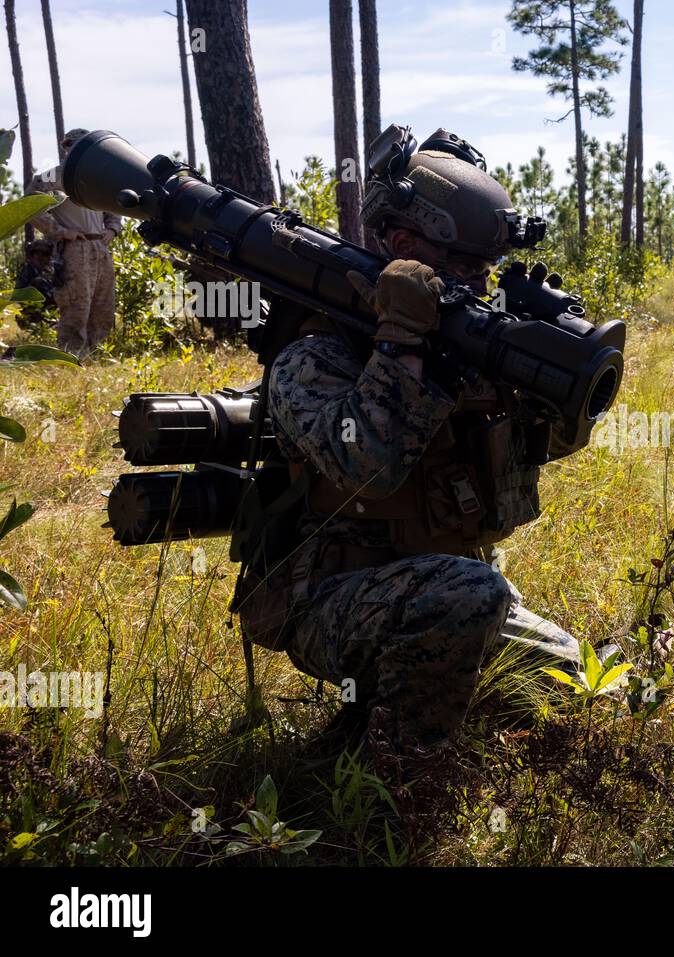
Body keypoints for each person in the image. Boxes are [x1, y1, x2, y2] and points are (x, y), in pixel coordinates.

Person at [234, 127, 584, 757]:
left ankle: (407, 701)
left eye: (488, 268)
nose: (479, 284)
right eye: (464, 266)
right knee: (470, 596)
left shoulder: (461, 343)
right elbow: (368, 467)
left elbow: (540, 449)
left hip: (445, 589)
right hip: (328, 597)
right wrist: (400, 339)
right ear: (403, 246)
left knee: (569, 682)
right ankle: (391, 776)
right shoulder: (316, 353)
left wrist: (556, 384)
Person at [25, 128, 122, 356]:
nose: (75, 150)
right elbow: (29, 204)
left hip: (100, 248)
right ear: (66, 148)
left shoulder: (100, 178)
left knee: (103, 306)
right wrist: (60, 231)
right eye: (71, 146)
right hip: (73, 249)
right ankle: (71, 358)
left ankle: (97, 357)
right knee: (76, 307)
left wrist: (113, 229)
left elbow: (115, 206)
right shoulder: (56, 175)